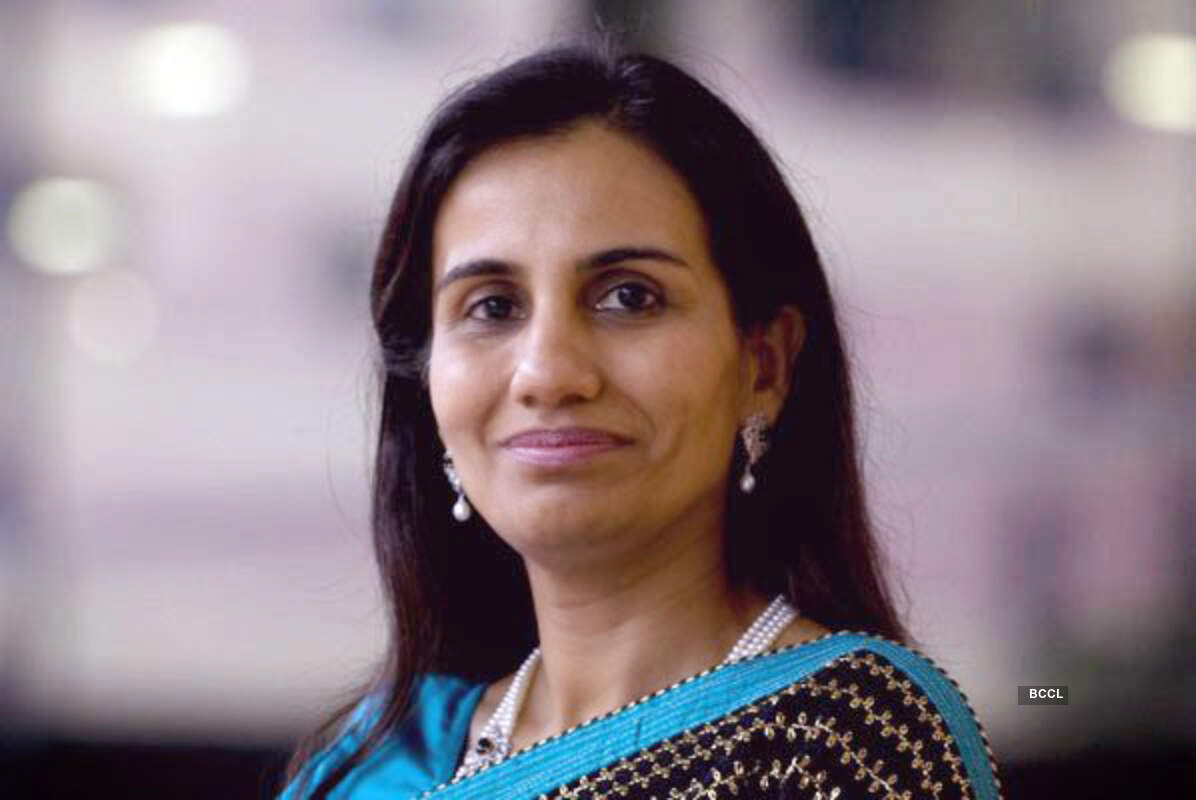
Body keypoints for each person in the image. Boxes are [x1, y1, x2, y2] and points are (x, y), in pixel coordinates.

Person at [280, 43, 1002, 800]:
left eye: (629, 297)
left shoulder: (840, 742)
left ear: (763, 367)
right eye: (492, 307)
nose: (547, 373)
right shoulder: (373, 767)